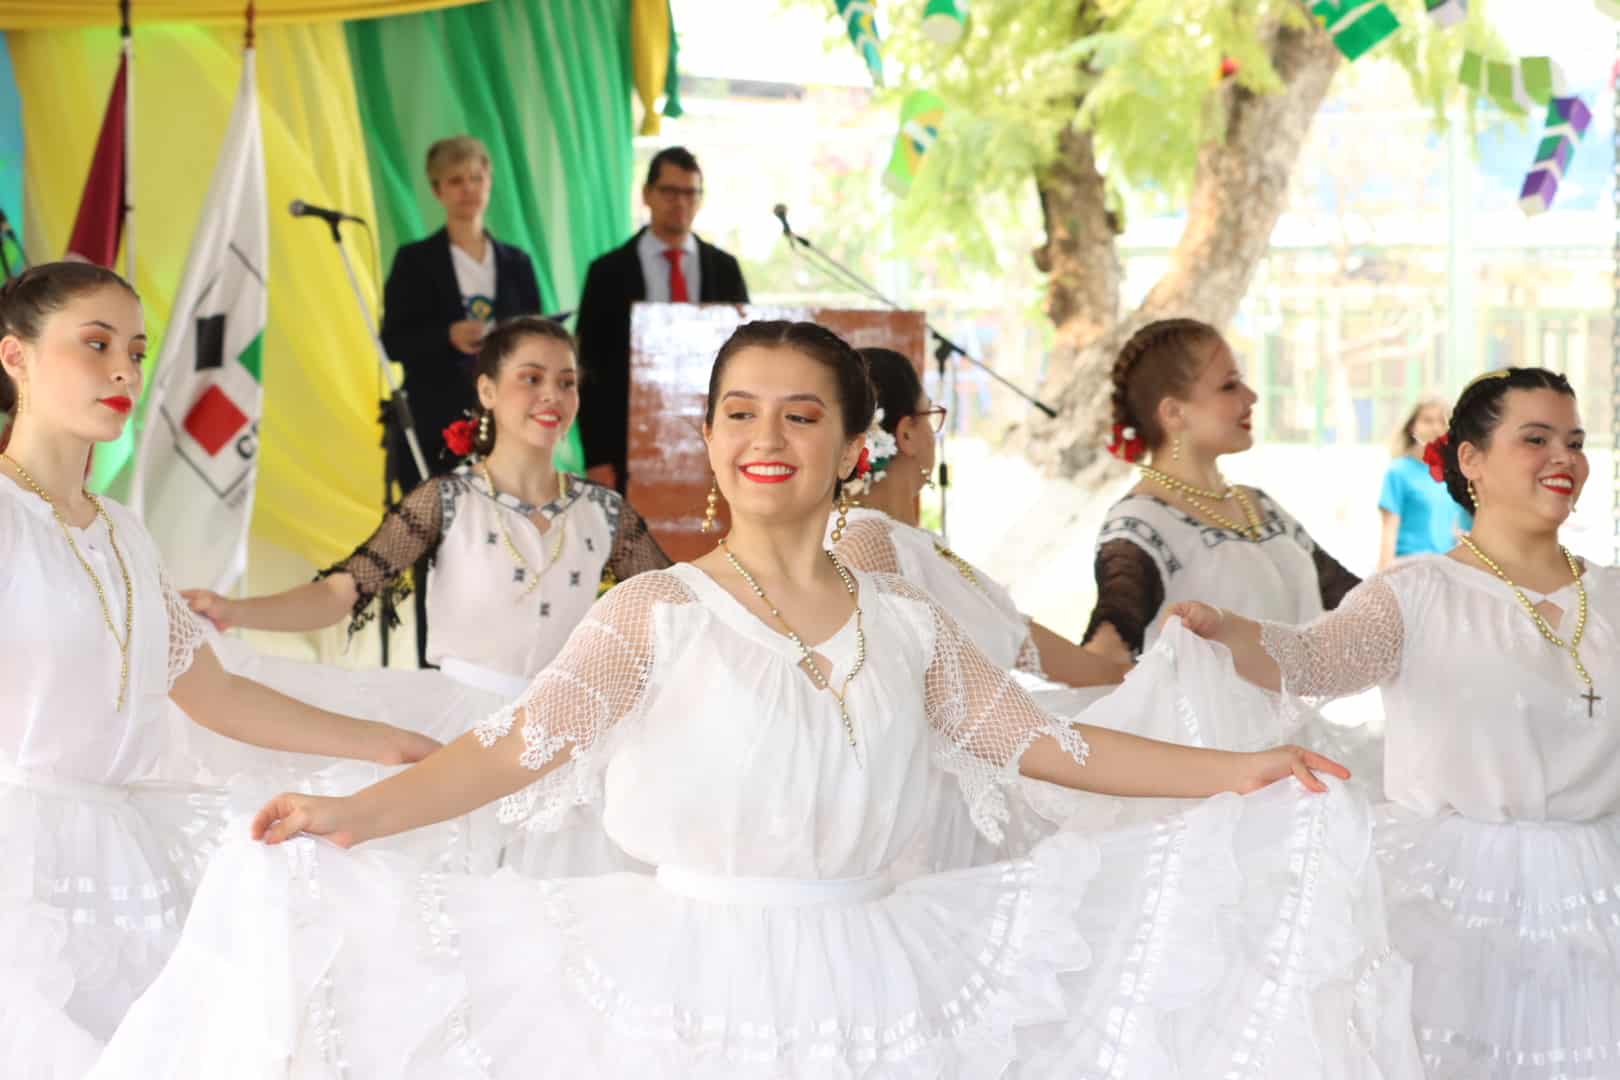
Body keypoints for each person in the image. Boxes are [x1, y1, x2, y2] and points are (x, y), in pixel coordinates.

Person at [94, 321, 1418, 1078]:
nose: (763, 439)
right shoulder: (653, 614)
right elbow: (506, 748)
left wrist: (1238, 771)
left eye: (797, 416)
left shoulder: (904, 625)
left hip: (881, 971)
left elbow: (1054, 746)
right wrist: (347, 818)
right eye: (737, 413)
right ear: (711, 440)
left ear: (851, 448)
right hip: (682, 980)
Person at [0, 262, 438, 1073]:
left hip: (125, 864)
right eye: (95, 344)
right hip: (17, 868)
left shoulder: (124, 531)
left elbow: (213, 690)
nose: (124, 371)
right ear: (14, 355)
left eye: (136, 351)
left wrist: (385, 742)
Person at [1168, 367, 1618, 1076]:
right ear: (1471, 459)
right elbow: (1312, 660)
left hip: (1602, 887)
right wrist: (1223, 629)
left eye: (1575, 441)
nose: (1563, 457)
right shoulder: (1417, 594)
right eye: (1536, 438)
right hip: (1457, 903)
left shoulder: (1612, 592)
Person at [183, 316, 671, 876]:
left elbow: (674, 611)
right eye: (531, 378)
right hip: (458, 728)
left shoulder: (605, 512)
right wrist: (235, 610)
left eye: (567, 382)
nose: (551, 396)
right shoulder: (447, 500)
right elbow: (339, 593)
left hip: (562, 735)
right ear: (487, 391)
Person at [1082, 318, 1362, 666]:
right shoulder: (1141, 523)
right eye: (1229, 386)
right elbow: (1106, 654)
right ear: (1174, 412)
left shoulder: (1257, 504)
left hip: (1299, 703)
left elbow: (1359, 605)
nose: (1251, 397)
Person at [379, 135, 544, 665]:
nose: (468, 190)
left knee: (506, 544)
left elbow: (539, 340)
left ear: (490, 182)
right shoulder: (415, 261)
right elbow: (391, 341)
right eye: (455, 181)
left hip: (506, 429)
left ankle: (502, 661)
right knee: (438, 549)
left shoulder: (516, 262)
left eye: (476, 178)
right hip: (432, 429)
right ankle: (435, 662)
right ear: (436, 190)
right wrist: (446, 336)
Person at [574, 146, 748, 493]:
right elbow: (589, 372)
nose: (680, 202)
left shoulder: (725, 269)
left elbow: (746, 357)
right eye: (669, 191)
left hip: (713, 443)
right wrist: (597, 457)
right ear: (647, 195)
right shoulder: (607, 272)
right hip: (626, 448)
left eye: (690, 193)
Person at [1377, 397, 1468, 568]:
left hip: (1446, 569)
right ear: (1412, 427)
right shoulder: (1398, 472)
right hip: (1409, 568)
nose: (1435, 428)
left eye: (1442, 422)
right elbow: (1388, 533)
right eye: (1427, 421)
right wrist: (1382, 576)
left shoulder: (1456, 474)